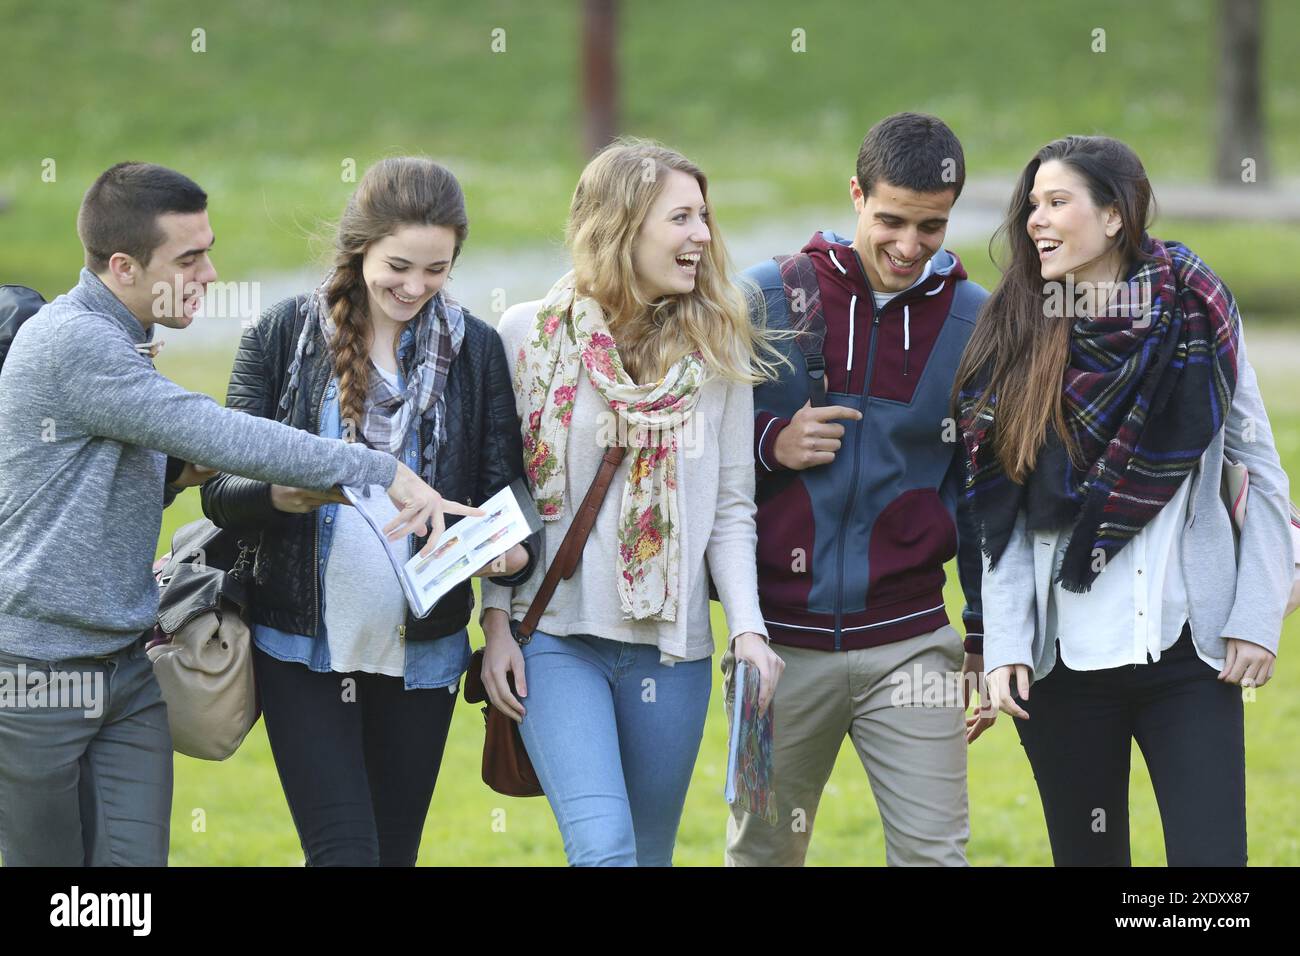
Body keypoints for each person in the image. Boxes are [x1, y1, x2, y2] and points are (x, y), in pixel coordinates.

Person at [0, 162, 463, 867]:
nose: (210, 274)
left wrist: (189, 475)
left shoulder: (122, 340)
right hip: (39, 671)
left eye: (208, 250)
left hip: (126, 666)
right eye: (189, 258)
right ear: (123, 266)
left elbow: (159, 461)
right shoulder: (77, 342)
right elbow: (219, 434)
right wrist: (380, 468)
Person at [955, 135, 1292, 866]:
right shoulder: (1017, 330)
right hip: (1063, 670)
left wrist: (1259, 615)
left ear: (1114, 216)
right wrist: (1006, 641)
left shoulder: (1197, 310)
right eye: (1032, 205)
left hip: (1188, 660)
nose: (1036, 220)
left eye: (1057, 202)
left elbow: (1260, 472)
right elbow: (997, 516)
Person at [200, 157, 535, 866]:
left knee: (393, 855)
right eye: (399, 266)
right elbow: (219, 491)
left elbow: (509, 494)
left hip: (423, 653)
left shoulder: (474, 349)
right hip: (300, 647)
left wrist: (507, 548)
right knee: (344, 853)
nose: (414, 287)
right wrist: (277, 496)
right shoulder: (282, 334)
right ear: (360, 248)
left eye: (436, 270)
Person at [479, 138, 786, 866]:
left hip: (670, 649)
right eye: (681, 218)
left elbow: (733, 507)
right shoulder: (528, 335)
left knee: (648, 855)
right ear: (622, 225)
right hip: (553, 638)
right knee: (605, 849)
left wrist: (748, 630)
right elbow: (504, 493)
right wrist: (494, 622)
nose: (703, 237)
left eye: (704, 217)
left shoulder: (716, 348)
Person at [727, 112, 990, 867]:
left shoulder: (976, 321)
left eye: (931, 227)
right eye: (892, 221)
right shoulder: (765, 296)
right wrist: (769, 444)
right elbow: (690, 443)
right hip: (773, 649)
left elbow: (979, 491)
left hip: (913, 646)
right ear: (855, 195)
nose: (909, 247)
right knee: (762, 856)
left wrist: (979, 631)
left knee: (936, 857)